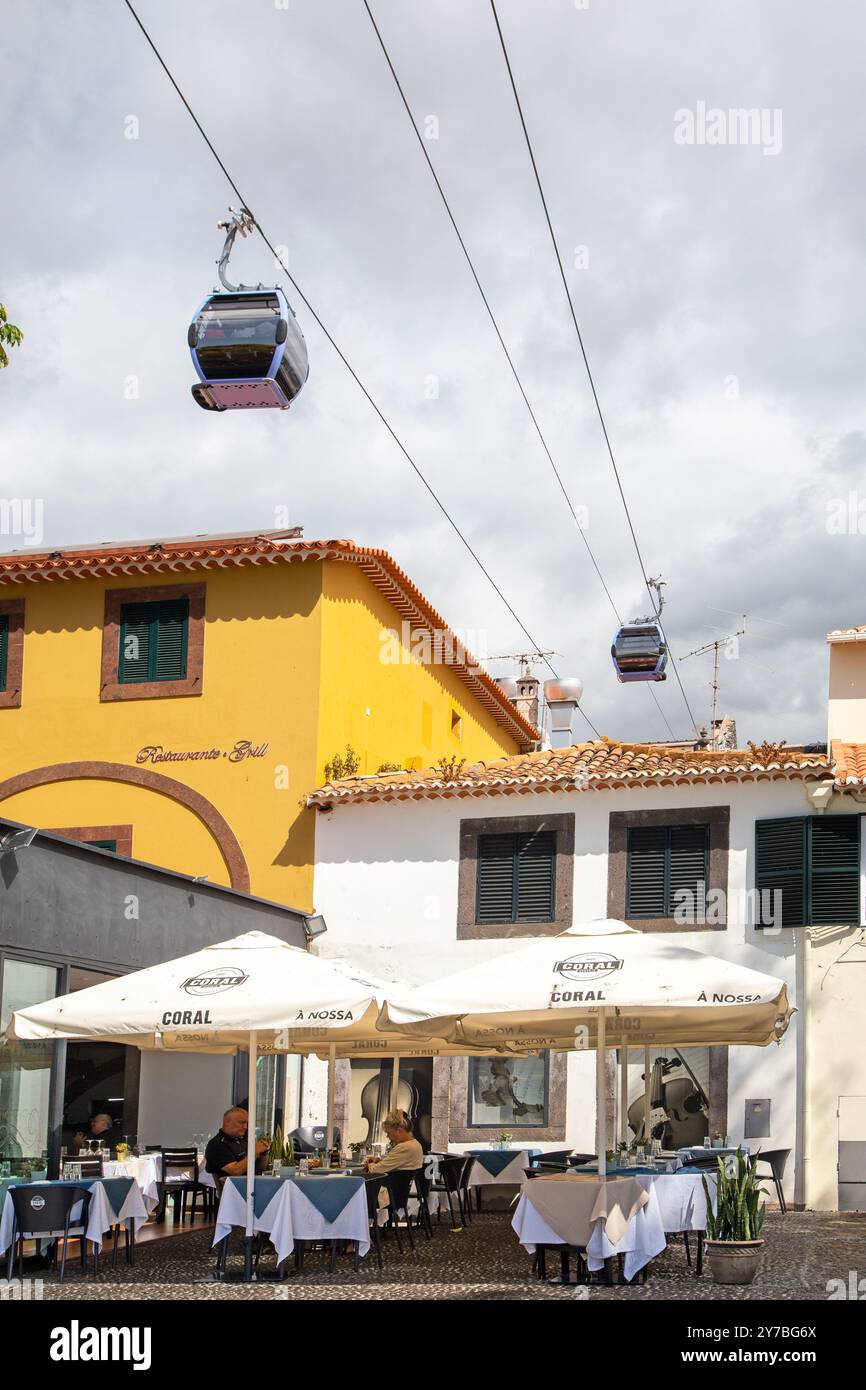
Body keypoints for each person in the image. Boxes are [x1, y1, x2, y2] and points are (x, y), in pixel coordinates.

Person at [204, 1107, 269, 1180]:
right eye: (241, 1122)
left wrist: (263, 1152)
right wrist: (255, 1152)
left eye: (246, 1123)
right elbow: (235, 1171)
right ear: (227, 1122)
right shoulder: (217, 1144)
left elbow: (260, 1169)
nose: (245, 1127)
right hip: (236, 1188)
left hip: (256, 1183)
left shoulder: (242, 1140)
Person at [363, 1109, 423, 1175]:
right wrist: (379, 1161)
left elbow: (375, 1170)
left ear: (399, 1130)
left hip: (389, 1185)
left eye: (389, 1133)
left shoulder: (404, 1147)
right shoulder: (416, 1144)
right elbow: (398, 1166)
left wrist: (370, 1163)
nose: (387, 1136)